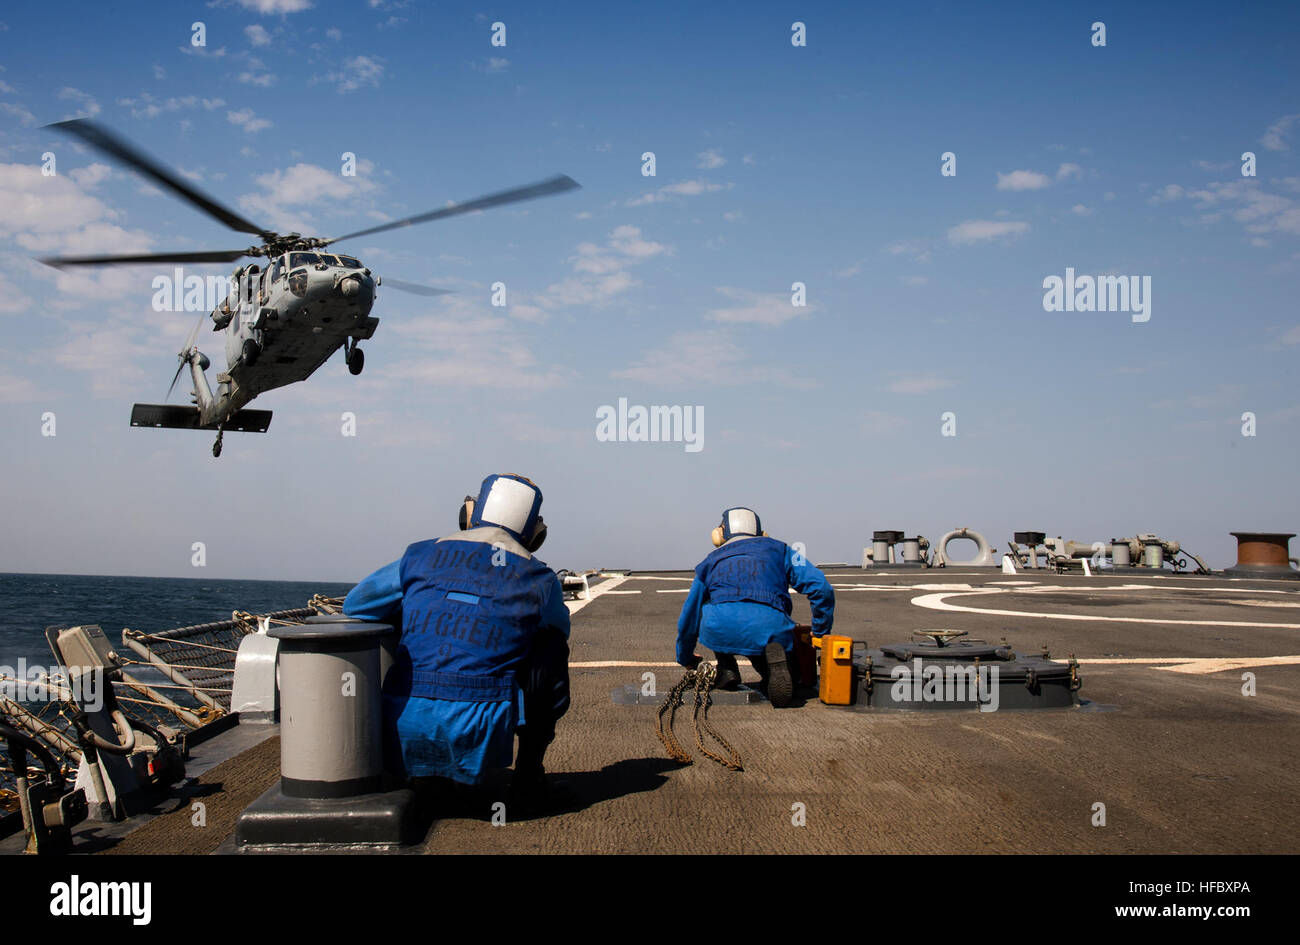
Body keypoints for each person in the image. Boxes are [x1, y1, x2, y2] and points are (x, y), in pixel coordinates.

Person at [342, 473, 570, 810]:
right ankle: (528, 776)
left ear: (468, 514)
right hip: (484, 731)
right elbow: (559, 628)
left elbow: (356, 605)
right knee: (550, 648)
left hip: (401, 721)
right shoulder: (541, 579)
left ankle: (424, 771)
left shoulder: (419, 554)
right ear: (535, 535)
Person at [676, 507, 835, 707]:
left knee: (715, 606)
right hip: (771, 626)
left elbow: (689, 615)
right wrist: (821, 632)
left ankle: (726, 667)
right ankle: (771, 671)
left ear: (720, 534)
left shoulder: (708, 562)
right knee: (764, 632)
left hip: (720, 628)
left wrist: (685, 656)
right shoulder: (781, 550)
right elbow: (822, 588)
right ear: (761, 533)